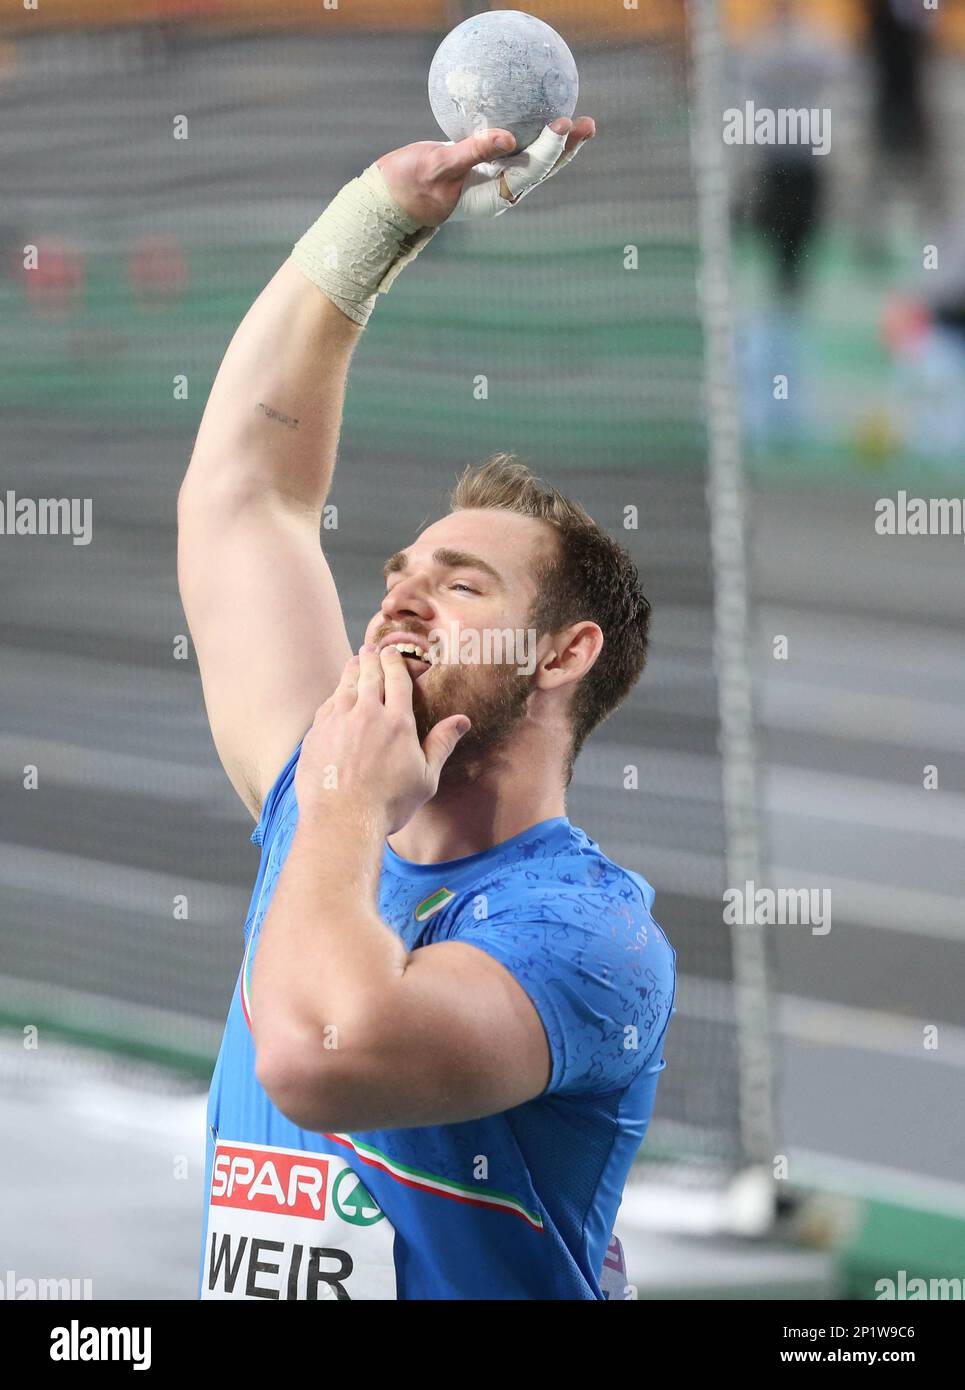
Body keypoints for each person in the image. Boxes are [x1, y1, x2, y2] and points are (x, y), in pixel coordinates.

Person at [178, 115, 676, 1301]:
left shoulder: (586, 939)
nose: (398, 596)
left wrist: (342, 810)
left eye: (459, 585)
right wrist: (377, 219)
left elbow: (321, 1052)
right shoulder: (321, 798)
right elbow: (246, 496)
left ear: (562, 653)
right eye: (397, 573)